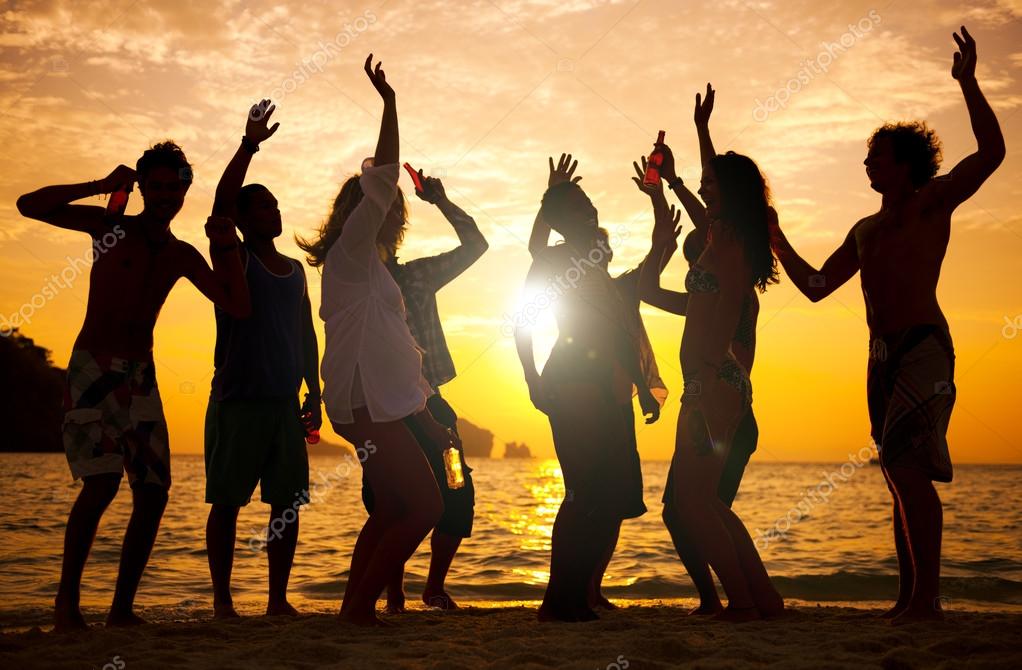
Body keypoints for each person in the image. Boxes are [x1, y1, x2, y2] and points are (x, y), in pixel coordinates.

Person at [769, 27, 1004, 625]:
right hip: (879, 359)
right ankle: (908, 600)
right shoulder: (863, 230)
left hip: (925, 346)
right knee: (895, 477)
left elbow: (993, 153)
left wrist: (969, 83)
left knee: (906, 469)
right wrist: (775, 237)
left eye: (875, 155)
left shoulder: (931, 202)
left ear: (902, 164)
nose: (865, 162)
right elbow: (818, 287)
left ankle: (927, 601)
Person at [17, 143, 251, 631]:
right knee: (100, 485)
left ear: (185, 189)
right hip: (92, 369)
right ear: (142, 187)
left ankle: (121, 610)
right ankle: (67, 605)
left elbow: (236, 303)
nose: (166, 196)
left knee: (153, 490)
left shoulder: (181, 254)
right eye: (157, 186)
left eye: (174, 187)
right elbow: (29, 206)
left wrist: (225, 242)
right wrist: (102, 187)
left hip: (141, 376)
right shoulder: (110, 228)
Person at [297, 55, 453, 627]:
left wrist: (427, 415)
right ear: (360, 213)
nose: (391, 213)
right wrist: (388, 103)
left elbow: (398, 344)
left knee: (390, 507)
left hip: (373, 402)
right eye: (379, 206)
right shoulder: (353, 252)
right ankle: (359, 607)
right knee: (428, 506)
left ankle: (350, 608)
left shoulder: (371, 267)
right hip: (363, 402)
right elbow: (384, 179)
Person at [639, 90, 784, 622]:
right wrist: (674, 181)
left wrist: (701, 134)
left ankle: (743, 603)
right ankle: (763, 598)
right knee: (708, 503)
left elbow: (712, 185)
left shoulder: (732, 237)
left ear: (732, 194)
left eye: (711, 188)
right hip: (714, 381)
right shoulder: (725, 240)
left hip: (711, 383)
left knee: (693, 505)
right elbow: (707, 187)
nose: (704, 193)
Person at [515, 153, 661, 622]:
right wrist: (531, 377)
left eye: (590, 205)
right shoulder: (553, 260)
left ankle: (578, 593)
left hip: (611, 386)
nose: (590, 213)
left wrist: (639, 385)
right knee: (582, 491)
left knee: (610, 494)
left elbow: (621, 332)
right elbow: (524, 323)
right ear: (562, 221)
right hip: (572, 378)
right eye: (578, 208)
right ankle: (559, 600)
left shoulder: (598, 268)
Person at [203, 100, 321, 619]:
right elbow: (221, 204)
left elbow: (306, 335)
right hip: (238, 401)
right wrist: (249, 145)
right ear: (245, 219)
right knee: (227, 503)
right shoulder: (234, 255)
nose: (273, 212)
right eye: (263, 207)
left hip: (283, 406)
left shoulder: (296, 271)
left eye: (276, 205)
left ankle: (277, 600)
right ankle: (223, 600)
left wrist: (314, 394)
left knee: (287, 504)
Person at [362, 168, 488, 612]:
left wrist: (441, 201)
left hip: (430, 399)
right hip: (382, 407)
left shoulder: (416, 276)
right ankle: (393, 593)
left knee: (457, 487)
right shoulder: (353, 281)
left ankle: (433, 587)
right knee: (389, 498)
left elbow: (477, 245)